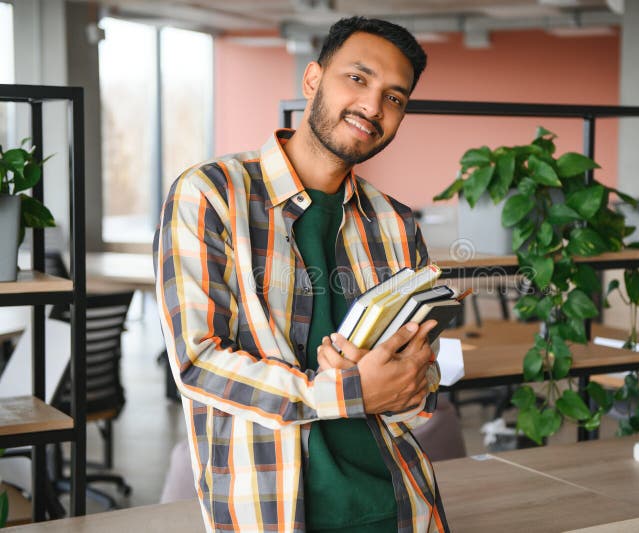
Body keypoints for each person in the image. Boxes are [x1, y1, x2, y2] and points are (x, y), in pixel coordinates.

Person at [154, 16, 448, 533]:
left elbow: (422, 389)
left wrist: (402, 379)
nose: (372, 107)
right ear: (312, 80)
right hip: (273, 513)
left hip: (402, 508)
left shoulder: (398, 224)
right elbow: (198, 362)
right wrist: (350, 390)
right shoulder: (211, 194)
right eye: (357, 79)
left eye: (395, 97)